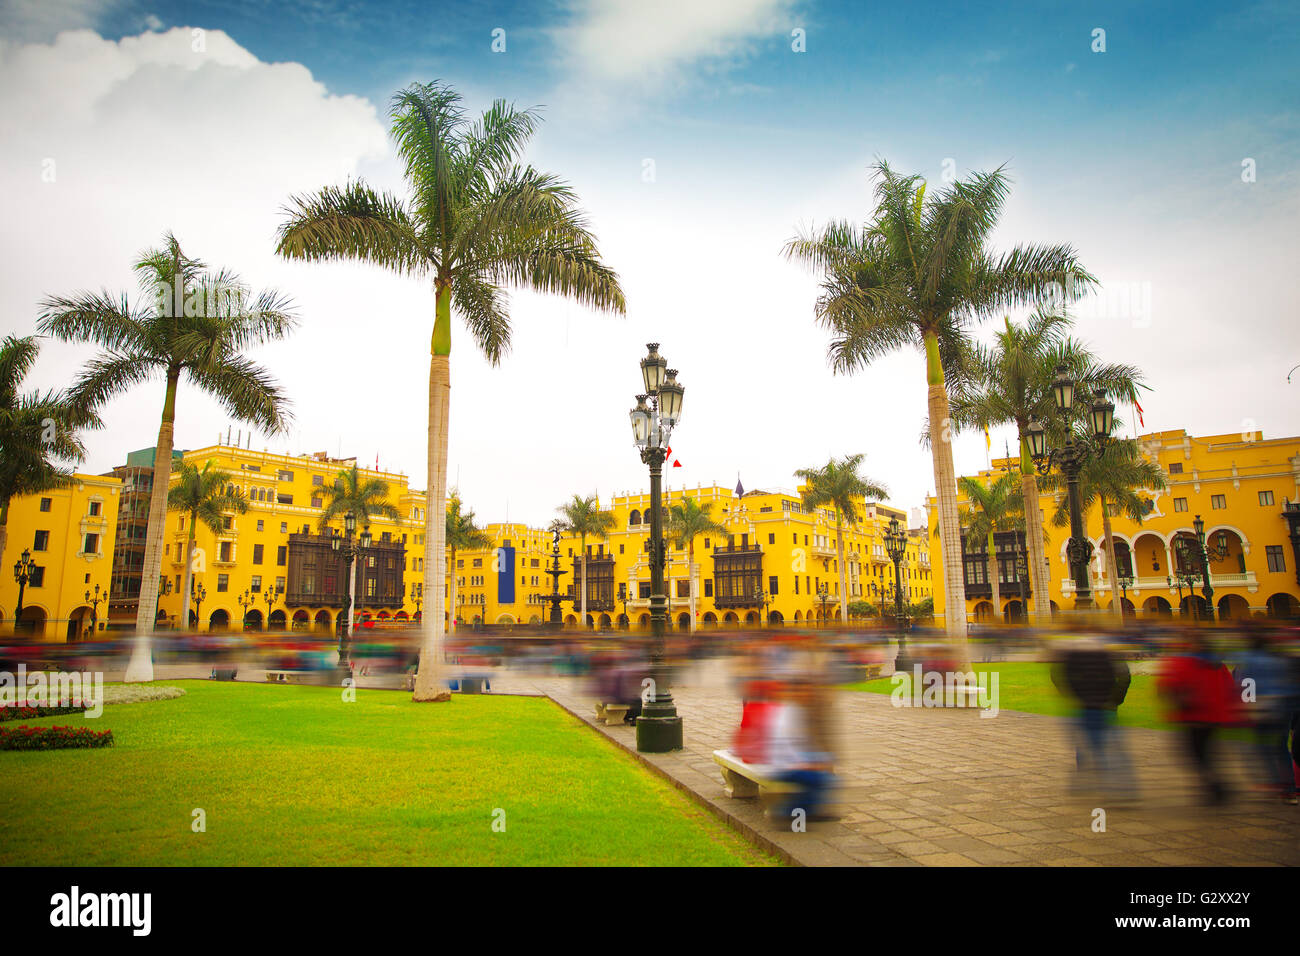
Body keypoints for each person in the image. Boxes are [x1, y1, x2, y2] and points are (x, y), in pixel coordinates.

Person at [1159, 631, 1239, 806]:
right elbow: (1230, 688)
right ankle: (1217, 786)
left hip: (1194, 716)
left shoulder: (1184, 663)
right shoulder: (1218, 664)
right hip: (1216, 716)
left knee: (1194, 754)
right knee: (1206, 752)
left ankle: (1217, 788)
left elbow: (1169, 686)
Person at [1051, 636, 1137, 797]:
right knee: (1106, 744)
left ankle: (1091, 780)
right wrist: (1116, 697)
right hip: (1102, 706)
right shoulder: (1105, 656)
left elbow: (1057, 675)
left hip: (1090, 706)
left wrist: (1071, 694)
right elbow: (1125, 676)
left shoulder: (1075, 657)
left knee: (1088, 743)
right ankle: (1112, 783)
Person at [1232, 627, 1297, 803]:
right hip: (1282, 709)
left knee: (1263, 749)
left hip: (1260, 710)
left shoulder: (1246, 662)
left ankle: (1276, 782)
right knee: (1282, 748)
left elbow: (1245, 686)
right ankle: (1290, 790)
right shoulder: (1279, 660)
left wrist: (1245, 709)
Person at [766, 677, 835, 823]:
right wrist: (807, 763)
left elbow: (803, 742)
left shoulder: (795, 709)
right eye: (803, 691)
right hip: (784, 764)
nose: (808, 694)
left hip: (792, 758)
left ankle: (810, 809)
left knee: (824, 767)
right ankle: (786, 812)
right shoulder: (788, 712)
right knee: (822, 778)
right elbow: (785, 746)